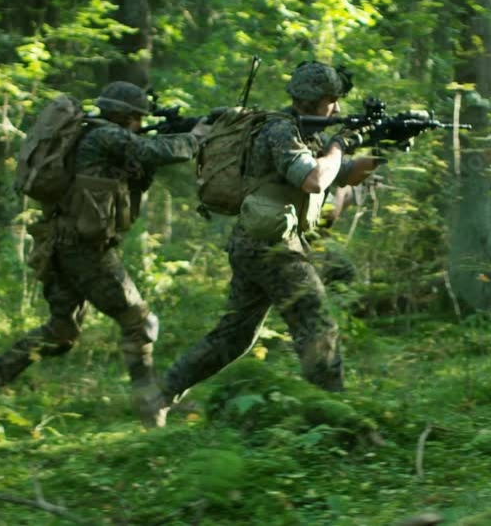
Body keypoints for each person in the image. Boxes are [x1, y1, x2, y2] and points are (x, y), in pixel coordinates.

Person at [0, 81, 209, 428]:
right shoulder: (104, 137)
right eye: (138, 119)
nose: (141, 125)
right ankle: (151, 408)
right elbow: (156, 152)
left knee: (61, 329)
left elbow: (139, 160)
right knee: (139, 322)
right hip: (84, 251)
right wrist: (198, 135)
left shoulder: (92, 135)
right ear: (128, 116)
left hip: (61, 245)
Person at [156, 61, 381, 419]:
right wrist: (339, 144)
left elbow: (343, 174)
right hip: (270, 246)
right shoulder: (280, 132)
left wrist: (380, 148)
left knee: (235, 336)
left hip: (261, 241)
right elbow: (314, 181)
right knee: (316, 324)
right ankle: (337, 416)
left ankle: (160, 394)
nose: (337, 108)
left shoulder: (305, 134)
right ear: (313, 100)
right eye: (331, 100)